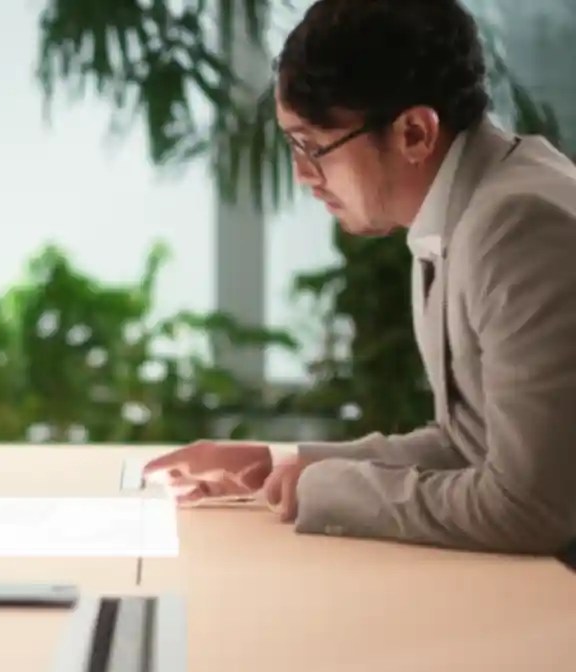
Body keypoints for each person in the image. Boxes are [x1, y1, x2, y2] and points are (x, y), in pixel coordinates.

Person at [144, 0, 576, 555]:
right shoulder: (473, 204)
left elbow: (530, 507)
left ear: (415, 133)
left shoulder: (517, 227)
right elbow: (472, 444)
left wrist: (325, 489)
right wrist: (280, 464)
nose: (302, 175)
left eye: (313, 145)